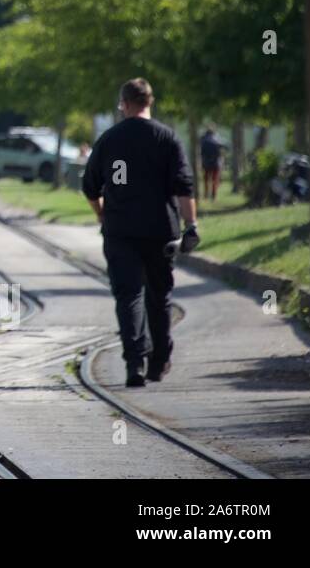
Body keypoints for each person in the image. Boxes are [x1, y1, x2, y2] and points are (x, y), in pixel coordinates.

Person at [81, 78, 199, 388]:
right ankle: (159, 362)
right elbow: (184, 187)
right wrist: (191, 226)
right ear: (150, 102)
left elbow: (90, 186)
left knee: (128, 295)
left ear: (125, 103)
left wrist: (101, 213)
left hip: (120, 230)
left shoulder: (109, 139)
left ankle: (134, 362)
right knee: (160, 297)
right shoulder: (167, 138)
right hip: (161, 230)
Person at [199, 126, 228, 201]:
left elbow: (201, 153)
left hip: (206, 163)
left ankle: (206, 195)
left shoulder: (203, 140)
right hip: (215, 163)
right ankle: (213, 195)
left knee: (206, 180)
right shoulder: (217, 139)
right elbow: (225, 146)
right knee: (215, 180)